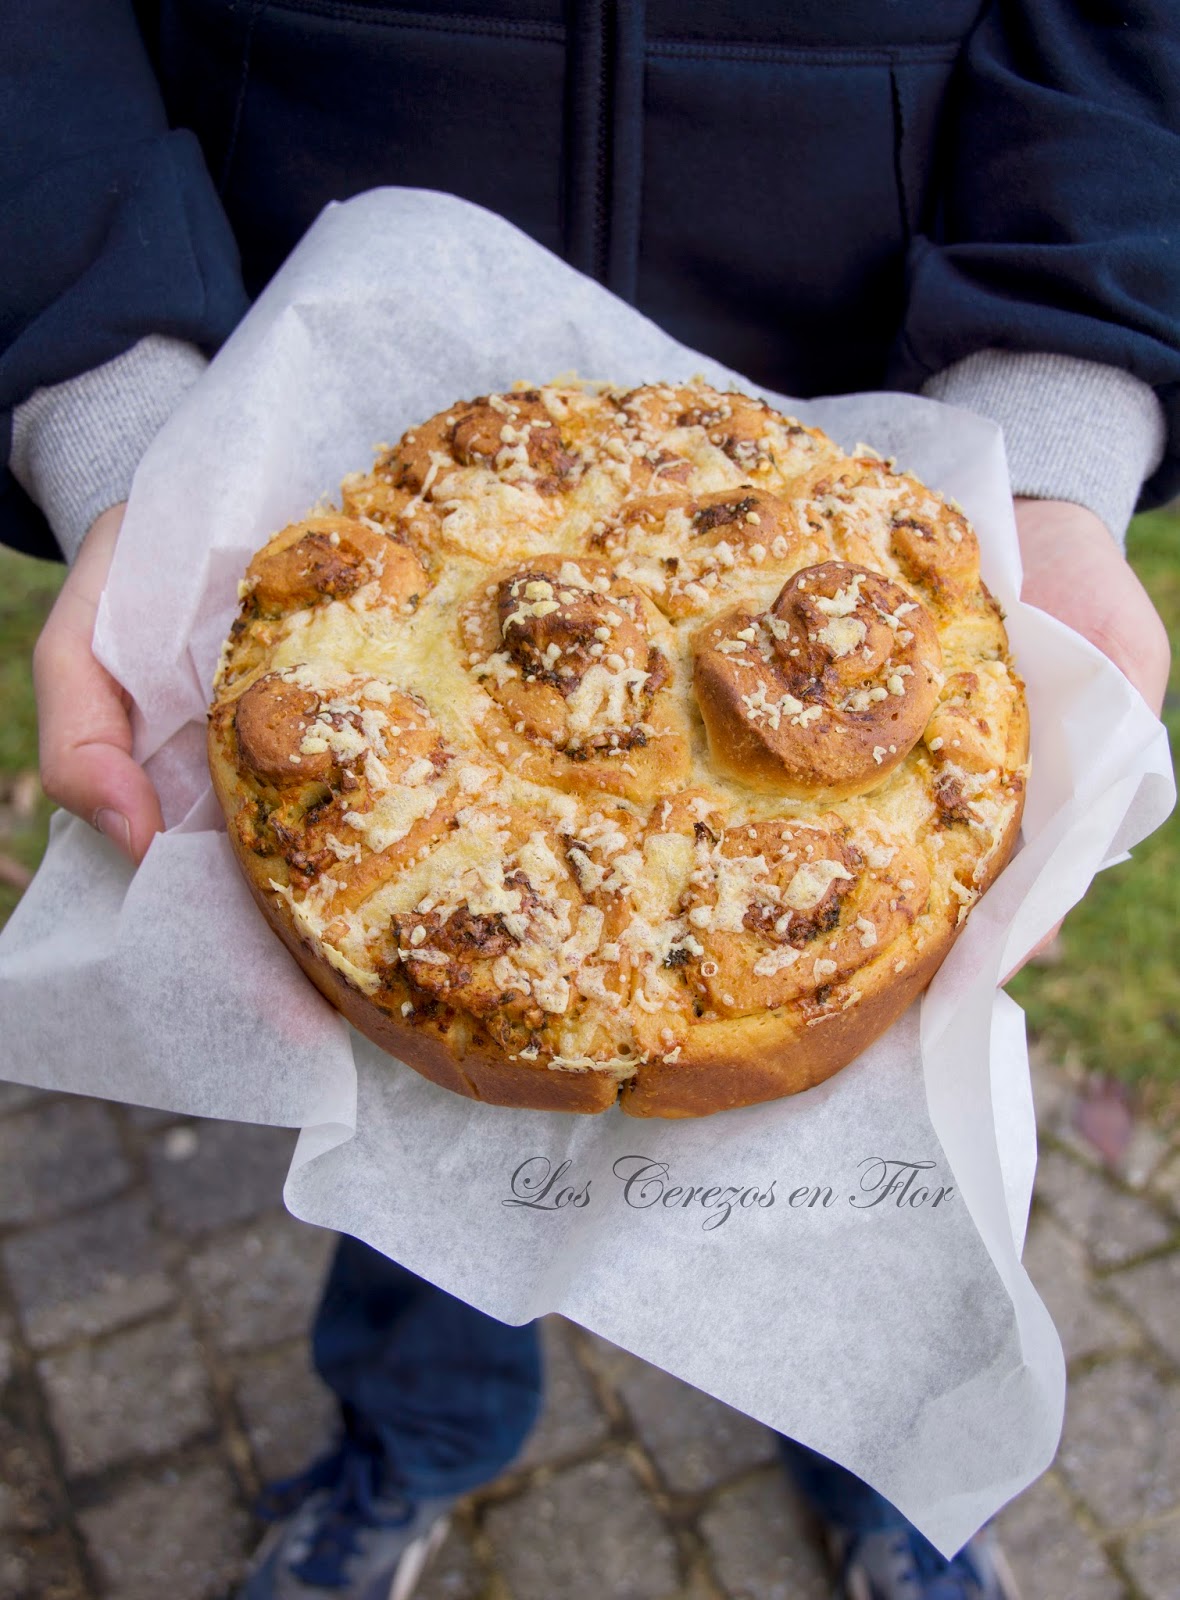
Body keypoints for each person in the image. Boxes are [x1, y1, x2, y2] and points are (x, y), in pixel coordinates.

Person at [3, 4, 1176, 1598]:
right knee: (413, 1149)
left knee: (890, 1162)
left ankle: (897, 1470)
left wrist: (1059, 409)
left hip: (877, 361)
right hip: (303, 377)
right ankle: (414, 1442)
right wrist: (127, 413)